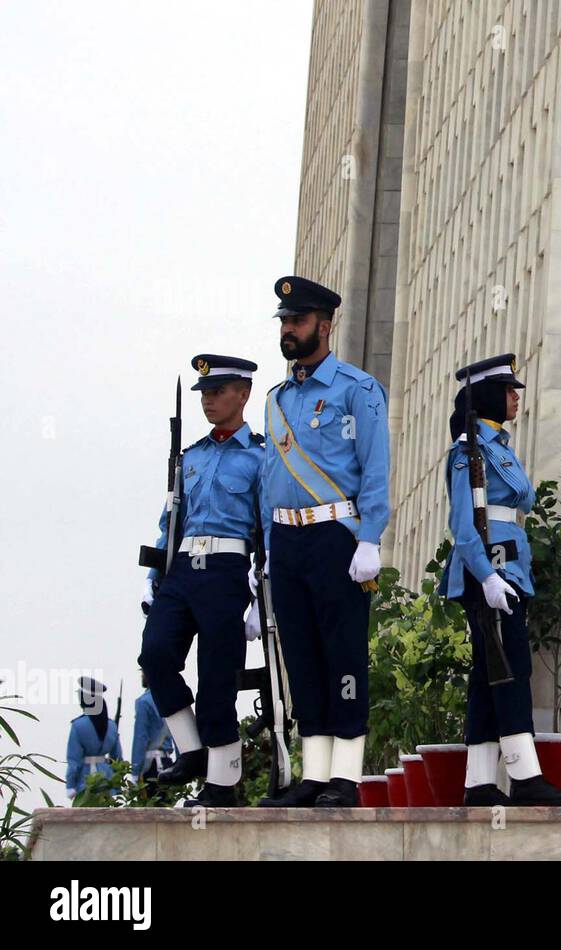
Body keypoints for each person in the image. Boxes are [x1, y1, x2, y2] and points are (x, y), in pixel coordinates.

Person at [257, 276, 388, 809]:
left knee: (343, 653)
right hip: (286, 538)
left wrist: (370, 537)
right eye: (285, 321)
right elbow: (270, 477)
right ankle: (313, 774)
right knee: (301, 655)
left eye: (298, 320)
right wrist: (266, 548)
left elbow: (374, 467)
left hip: (337, 534)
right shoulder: (276, 400)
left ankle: (347, 776)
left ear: (325, 325)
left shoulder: (358, 389)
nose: (289, 329)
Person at [439, 354, 561, 806]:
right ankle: (524, 776)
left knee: (488, 675)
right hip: (490, 571)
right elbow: (464, 526)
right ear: (488, 396)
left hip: (507, 566)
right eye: (508, 390)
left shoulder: (497, 446)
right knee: (512, 669)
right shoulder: (469, 452)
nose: (516, 397)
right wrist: (487, 578)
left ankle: (479, 783)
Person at [139, 355, 265, 807]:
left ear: (243, 394)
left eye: (216, 392)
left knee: (217, 680)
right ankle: (191, 750)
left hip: (227, 573)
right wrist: (154, 579)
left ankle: (222, 785)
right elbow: (170, 522)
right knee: (154, 655)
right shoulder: (190, 457)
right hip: (182, 570)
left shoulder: (260, 458)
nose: (208, 400)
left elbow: (266, 531)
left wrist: (257, 596)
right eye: (204, 394)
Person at [65, 677, 121, 801]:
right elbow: (117, 759)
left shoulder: (78, 725)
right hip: (107, 778)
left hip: (85, 780)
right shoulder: (112, 725)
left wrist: (70, 785)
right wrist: (118, 785)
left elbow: (74, 761)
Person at [130, 672, 175, 788]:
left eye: (144, 672)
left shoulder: (143, 702)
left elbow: (140, 738)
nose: (142, 676)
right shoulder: (170, 699)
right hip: (168, 763)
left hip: (150, 766)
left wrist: (135, 771)